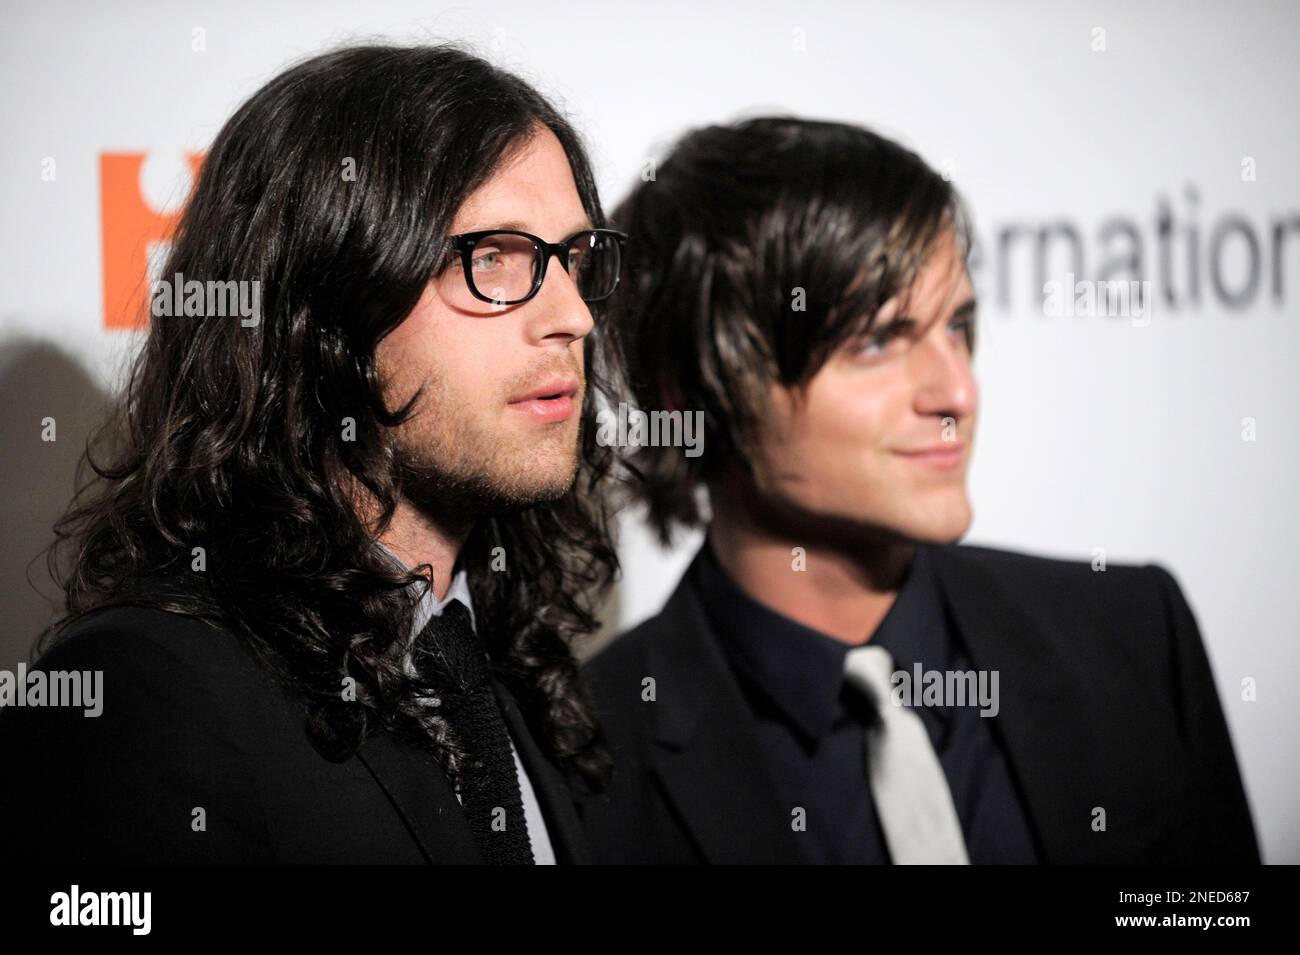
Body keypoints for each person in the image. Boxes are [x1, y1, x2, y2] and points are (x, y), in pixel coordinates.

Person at [0, 43, 627, 864]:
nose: (572, 316)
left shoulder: (510, 673)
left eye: (574, 261)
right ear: (324, 308)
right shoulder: (146, 695)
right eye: (494, 258)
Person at [576, 117, 1260, 864]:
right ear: (695, 396)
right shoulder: (588, 767)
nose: (958, 390)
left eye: (959, 325)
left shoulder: (1131, 638)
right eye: (877, 340)